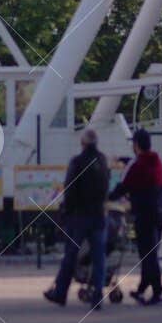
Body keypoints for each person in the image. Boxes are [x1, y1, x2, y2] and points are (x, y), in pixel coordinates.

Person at [45, 127, 111, 310]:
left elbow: (70, 189)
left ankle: (60, 293)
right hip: (98, 215)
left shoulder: (77, 162)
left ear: (83, 143)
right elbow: (106, 186)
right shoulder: (103, 160)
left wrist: (67, 211)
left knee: (71, 255)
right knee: (99, 257)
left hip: (80, 216)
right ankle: (97, 294)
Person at [109, 128, 162, 306]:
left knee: (148, 255)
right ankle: (142, 288)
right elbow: (135, 166)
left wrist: (105, 198)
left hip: (145, 214)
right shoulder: (156, 162)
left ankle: (157, 292)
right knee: (150, 253)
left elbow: (123, 186)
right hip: (160, 212)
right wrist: (123, 160)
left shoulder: (138, 165)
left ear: (136, 145)